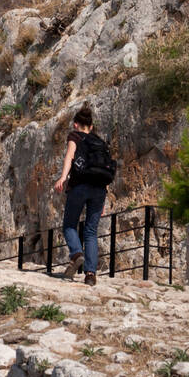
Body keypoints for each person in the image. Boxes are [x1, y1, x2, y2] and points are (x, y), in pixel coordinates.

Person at [54, 104, 114, 286]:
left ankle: (76, 253)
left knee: (69, 225)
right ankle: (90, 274)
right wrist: (105, 196)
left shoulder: (75, 136)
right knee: (90, 231)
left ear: (75, 125)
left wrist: (63, 178)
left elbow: (70, 156)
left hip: (80, 185)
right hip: (99, 189)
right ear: (92, 127)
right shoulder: (100, 142)